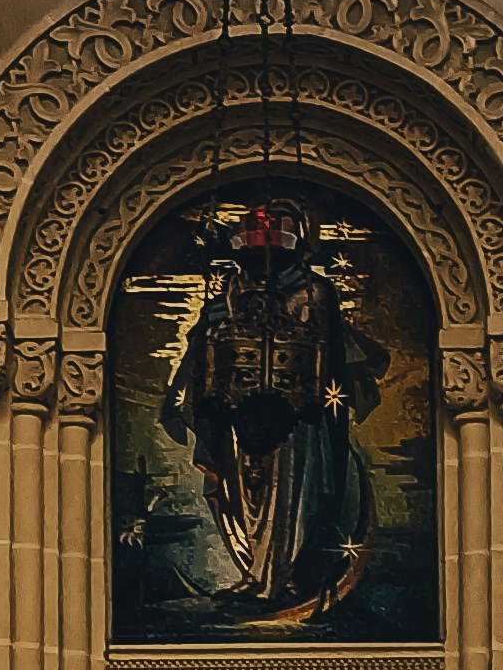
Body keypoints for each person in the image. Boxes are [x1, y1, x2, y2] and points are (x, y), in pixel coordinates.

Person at [161, 196, 380, 622]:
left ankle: (283, 579)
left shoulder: (315, 292)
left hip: (297, 421)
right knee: (244, 493)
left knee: (291, 496)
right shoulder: (227, 291)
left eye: (273, 237)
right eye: (253, 239)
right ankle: (255, 574)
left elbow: (329, 354)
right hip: (239, 414)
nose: (262, 248)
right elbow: (209, 350)